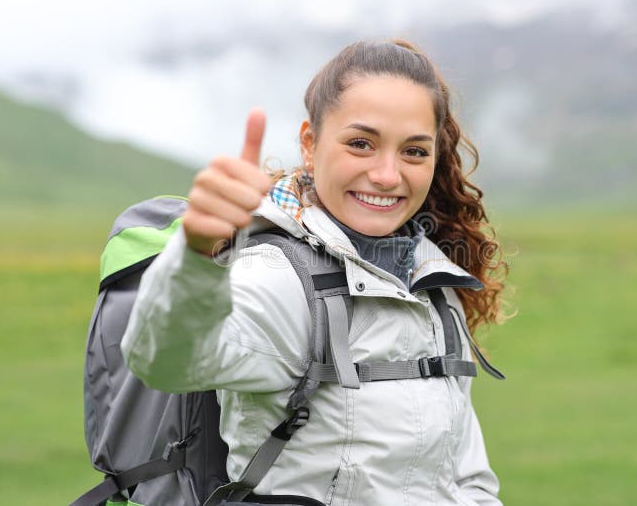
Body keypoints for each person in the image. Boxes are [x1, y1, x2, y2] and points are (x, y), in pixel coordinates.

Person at [121, 39, 509, 505]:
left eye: (414, 151)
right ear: (310, 143)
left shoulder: (433, 287)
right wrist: (194, 256)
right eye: (361, 144)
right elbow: (166, 360)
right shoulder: (279, 277)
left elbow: (468, 477)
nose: (388, 175)